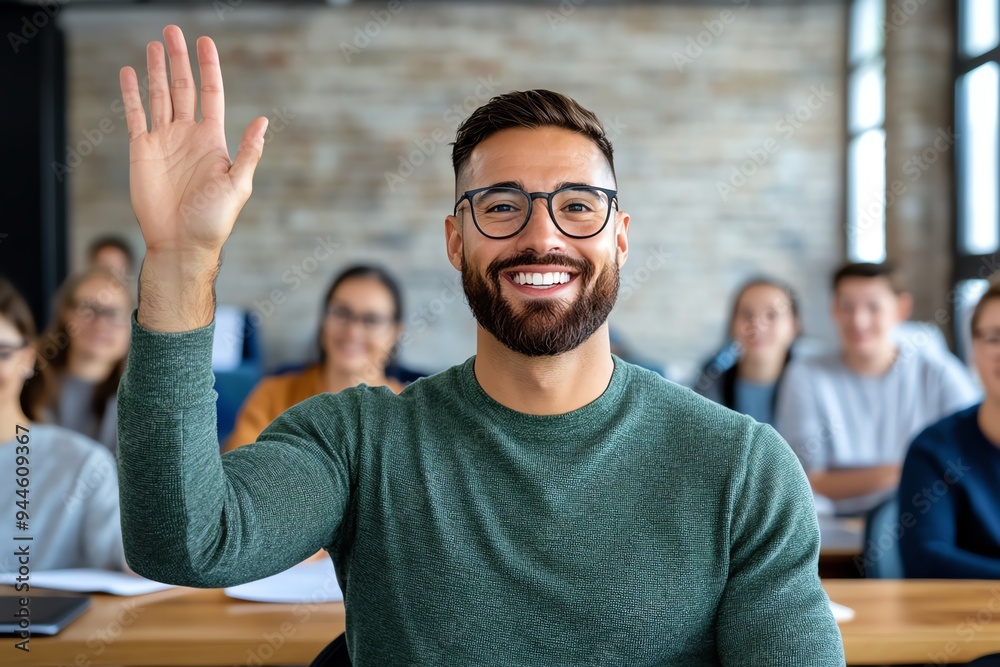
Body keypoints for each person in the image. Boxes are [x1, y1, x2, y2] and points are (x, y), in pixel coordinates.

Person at [115, 26, 843, 665]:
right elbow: (184, 540)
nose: (543, 235)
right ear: (456, 241)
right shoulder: (359, 441)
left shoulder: (742, 467)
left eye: (578, 207)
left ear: (620, 238)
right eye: (502, 207)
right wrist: (181, 263)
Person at [776, 262, 979, 516]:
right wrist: (916, 469)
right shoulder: (805, 374)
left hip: (926, 515)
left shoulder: (936, 371)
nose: (859, 321)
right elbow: (807, 480)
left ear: (901, 308)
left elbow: (972, 451)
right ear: (833, 310)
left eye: (873, 307)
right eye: (846, 307)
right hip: (834, 526)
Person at [0, 276, 126, 573]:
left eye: (2, 353)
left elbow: (126, 557)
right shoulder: (46, 397)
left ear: (27, 358)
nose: (101, 323)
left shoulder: (83, 463)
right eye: (89, 310)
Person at [224, 265, 405, 452]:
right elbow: (241, 472)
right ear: (323, 319)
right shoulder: (273, 395)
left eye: (371, 320)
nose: (353, 332)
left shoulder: (409, 413)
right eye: (342, 312)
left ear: (396, 332)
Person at [898, 283, 1000, 578]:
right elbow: (926, 558)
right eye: (994, 338)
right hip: (959, 618)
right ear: (974, 348)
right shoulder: (934, 449)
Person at [24, 268, 133, 455]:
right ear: (66, 313)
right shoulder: (26, 378)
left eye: (113, 313)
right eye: (88, 309)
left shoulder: (144, 398)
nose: (100, 323)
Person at [694, 278, 800, 427]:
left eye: (771, 315)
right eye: (747, 314)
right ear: (732, 325)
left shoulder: (814, 386)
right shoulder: (708, 384)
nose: (757, 324)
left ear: (794, 326)